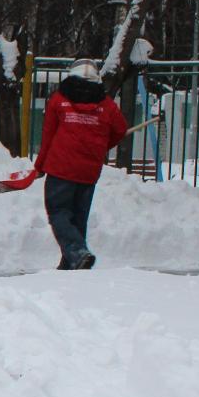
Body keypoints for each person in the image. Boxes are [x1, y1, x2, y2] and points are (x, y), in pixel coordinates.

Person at [33, 59, 128, 270]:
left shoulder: (59, 100)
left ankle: (77, 253)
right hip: (89, 170)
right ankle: (72, 262)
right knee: (78, 217)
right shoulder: (107, 105)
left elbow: (48, 135)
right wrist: (100, 146)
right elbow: (120, 130)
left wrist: (40, 165)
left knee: (58, 212)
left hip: (61, 167)